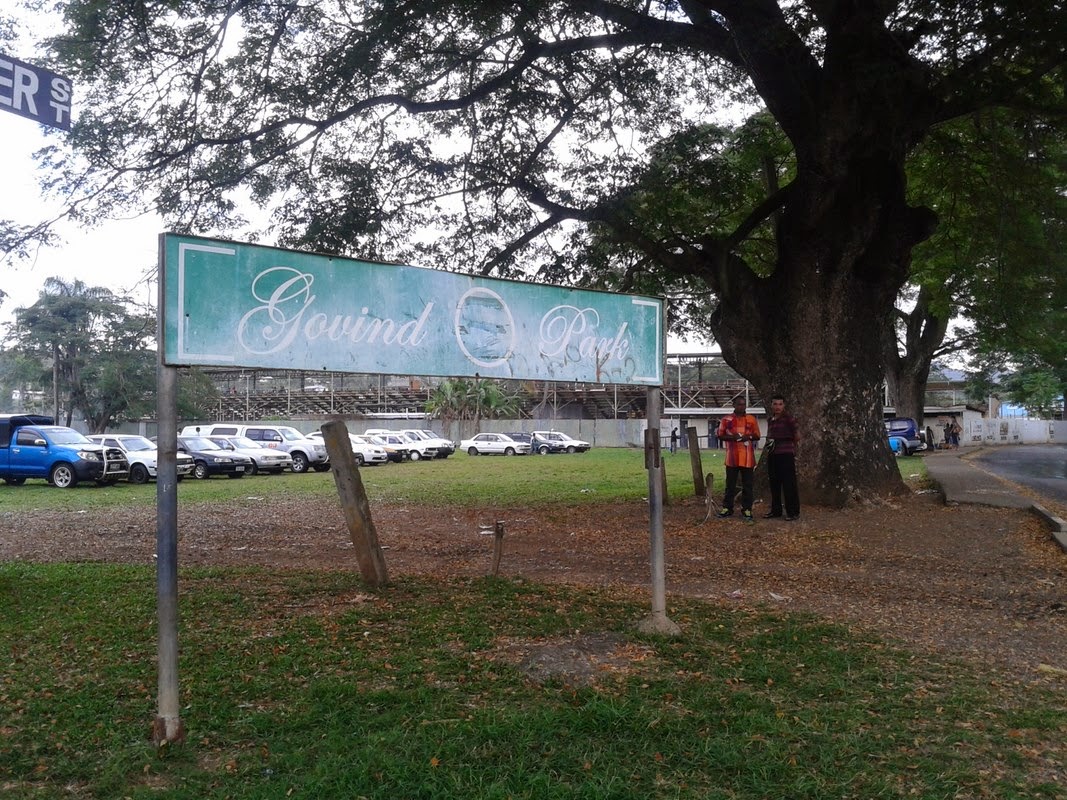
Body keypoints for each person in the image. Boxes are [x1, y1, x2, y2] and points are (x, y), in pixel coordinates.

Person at [716, 397, 761, 522]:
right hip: (732, 458)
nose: (742, 407)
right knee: (730, 485)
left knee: (748, 485)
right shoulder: (726, 419)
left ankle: (747, 509)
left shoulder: (751, 419)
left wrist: (748, 436)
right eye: (739, 404)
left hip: (747, 458)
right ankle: (727, 508)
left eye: (743, 404)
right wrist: (733, 438)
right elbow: (720, 435)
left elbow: (757, 435)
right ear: (734, 405)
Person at [763, 395, 800, 520]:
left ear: (784, 405)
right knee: (774, 483)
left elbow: (797, 435)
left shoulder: (789, 419)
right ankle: (776, 510)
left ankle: (793, 512)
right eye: (775, 404)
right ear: (771, 405)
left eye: (780, 404)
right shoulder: (770, 420)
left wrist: (790, 446)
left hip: (786, 454)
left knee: (789, 484)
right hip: (773, 454)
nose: (777, 407)